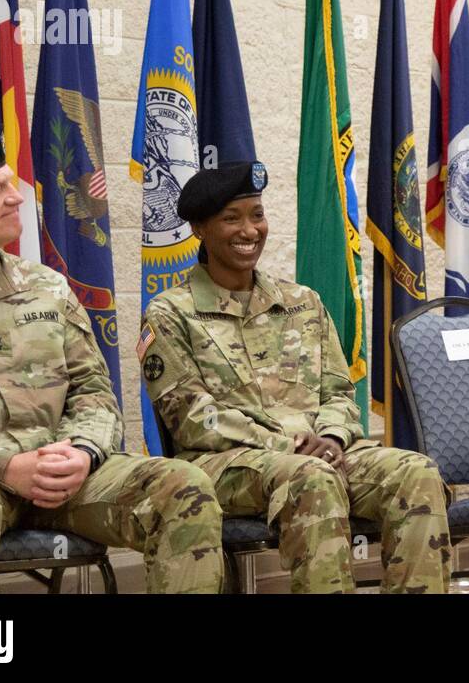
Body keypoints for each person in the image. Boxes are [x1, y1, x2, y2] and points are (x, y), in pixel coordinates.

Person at [0, 129, 224, 593]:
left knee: (184, 485)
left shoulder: (47, 287)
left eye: (12, 184)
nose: (17, 198)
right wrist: (4, 464)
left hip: (58, 474)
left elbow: (94, 391)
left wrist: (81, 452)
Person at [142, 161, 451, 594]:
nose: (250, 230)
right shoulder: (170, 313)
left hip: (323, 451)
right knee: (312, 475)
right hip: (226, 463)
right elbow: (194, 419)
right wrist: (289, 445)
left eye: (257, 214)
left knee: (416, 471)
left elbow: (341, 392)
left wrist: (334, 438)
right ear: (200, 229)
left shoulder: (302, 302)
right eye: (231, 218)